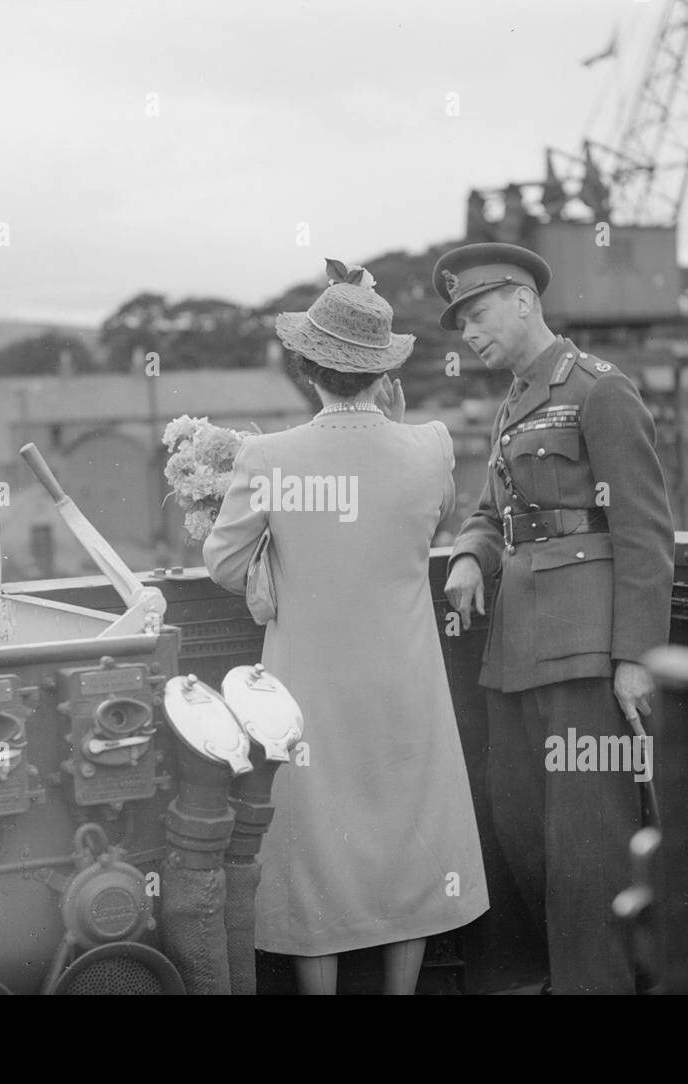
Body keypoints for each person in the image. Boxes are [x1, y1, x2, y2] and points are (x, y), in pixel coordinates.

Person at [203, 265, 489, 995]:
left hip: (309, 685)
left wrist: (277, 552)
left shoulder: (269, 458)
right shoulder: (429, 446)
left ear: (307, 370)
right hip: (405, 677)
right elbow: (435, 520)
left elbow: (224, 565)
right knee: (408, 836)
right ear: (385, 372)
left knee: (317, 848)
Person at [437, 243, 674, 994]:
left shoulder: (601, 391)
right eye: (461, 324)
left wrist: (635, 656)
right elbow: (487, 511)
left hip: (582, 654)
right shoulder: (513, 402)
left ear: (521, 300)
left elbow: (644, 531)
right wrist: (472, 556)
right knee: (519, 835)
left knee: (586, 854)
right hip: (515, 654)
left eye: (476, 315)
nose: (470, 334)